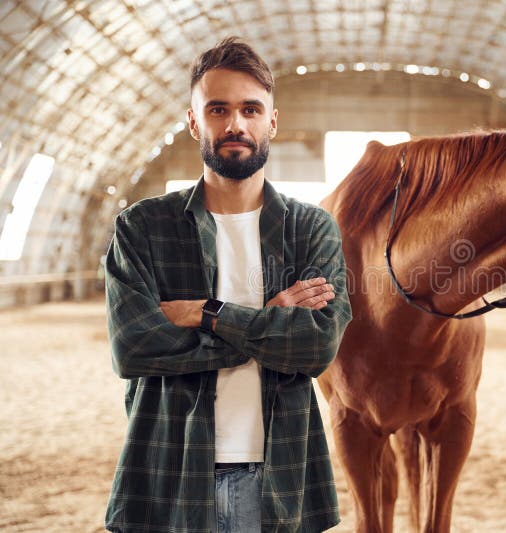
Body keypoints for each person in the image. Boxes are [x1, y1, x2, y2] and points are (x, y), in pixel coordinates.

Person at [104, 37, 352, 532]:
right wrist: (267, 323)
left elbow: (315, 347)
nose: (234, 124)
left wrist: (207, 312)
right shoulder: (143, 227)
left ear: (271, 122)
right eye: (218, 109)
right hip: (168, 468)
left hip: (277, 476)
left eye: (250, 109)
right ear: (195, 121)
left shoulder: (311, 229)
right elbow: (134, 348)